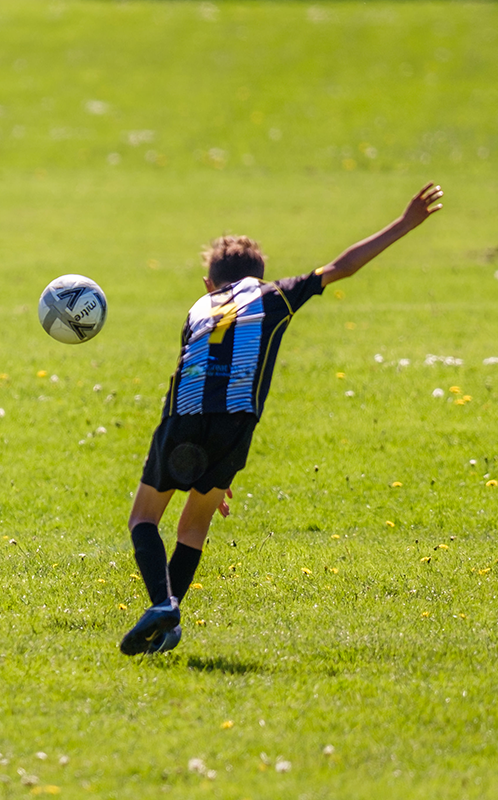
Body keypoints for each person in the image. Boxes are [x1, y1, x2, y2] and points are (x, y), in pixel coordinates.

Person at [120, 182, 445, 656]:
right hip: (236, 423)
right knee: (194, 527)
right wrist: (405, 223)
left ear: (209, 284)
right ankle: (166, 624)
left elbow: (187, 370)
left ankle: (163, 605)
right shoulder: (275, 296)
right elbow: (342, 267)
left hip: (185, 414)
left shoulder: (197, 308)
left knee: (144, 518)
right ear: (259, 274)